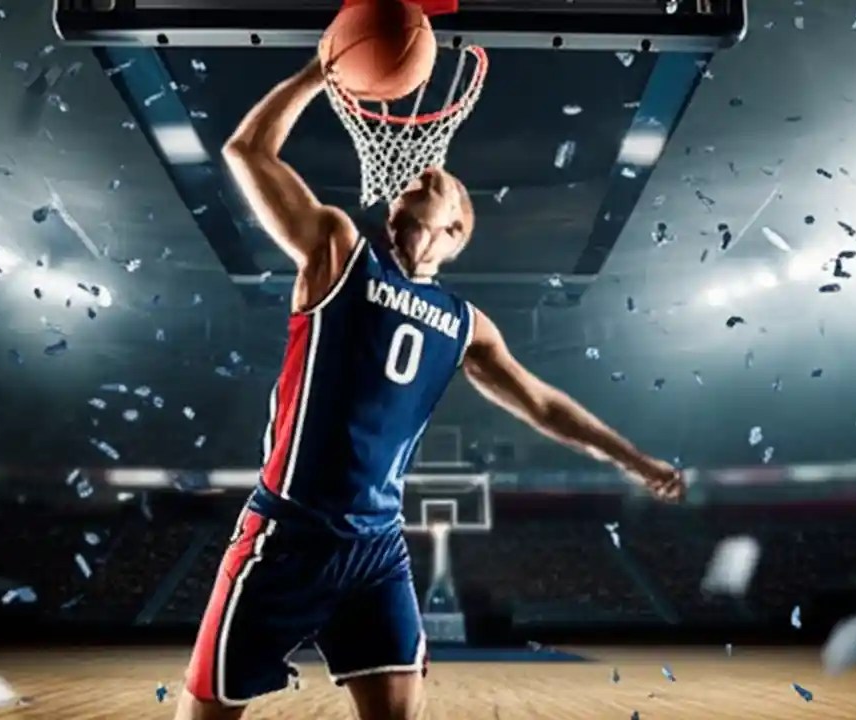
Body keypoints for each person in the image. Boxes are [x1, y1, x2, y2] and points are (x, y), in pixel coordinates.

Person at [175, 56, 684, 720]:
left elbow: (544, 404)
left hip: (376, 548)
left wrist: (634, 459)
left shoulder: (464, 322)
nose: (418, 169)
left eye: (433, 176)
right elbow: (247, 151)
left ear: (457, 229)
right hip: (288, 534)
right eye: (412, 174)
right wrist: (317, 75)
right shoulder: (339, 252)